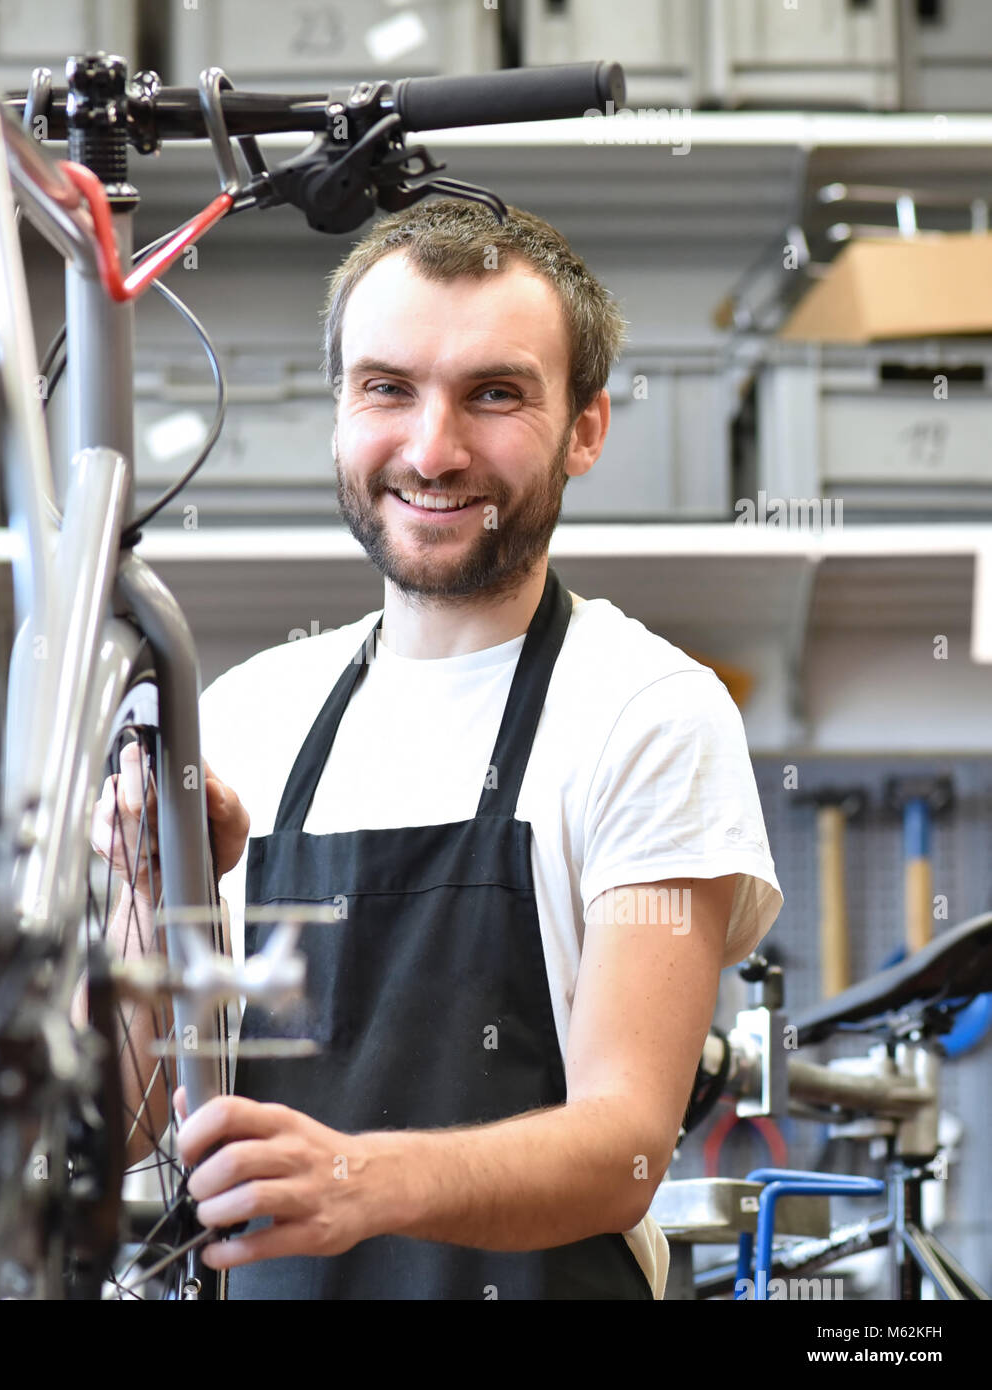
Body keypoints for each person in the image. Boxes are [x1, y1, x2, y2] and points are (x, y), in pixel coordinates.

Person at [94, 198, 783, 1299]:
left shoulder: (647, 710)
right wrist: (140, 893)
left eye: (494, 393)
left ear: (587, 429)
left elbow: (627, 1149)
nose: (431, 447)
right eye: (386, 388)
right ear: (337, 414)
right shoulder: (244, 717)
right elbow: (122, 1132)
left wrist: (359, 1176)